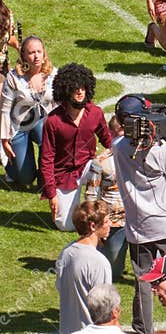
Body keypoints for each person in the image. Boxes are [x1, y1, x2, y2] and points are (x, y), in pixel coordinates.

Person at [112, 95, 166, 334]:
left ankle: (142, 330)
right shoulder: (159, 148)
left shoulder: (117, 148)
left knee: (144, 284)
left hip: (138, 228)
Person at [40, 64, 113, 232]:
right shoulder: (53, 121)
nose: (80, 92)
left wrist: (114, 156)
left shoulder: (95, 113)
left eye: (83, 87)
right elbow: (46, 159)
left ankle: (101, 202)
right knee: (66, 226)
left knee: (110, 165)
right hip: (64, 174)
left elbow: (108, 141)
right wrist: (51, 194)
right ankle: (79, 204)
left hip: (89, 167)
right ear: (65, 91)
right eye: (75, 88)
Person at [1, 36, 56, 186]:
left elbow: (60, 106)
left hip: (42, 122)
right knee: (25, 179)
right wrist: (4, 140)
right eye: (31, 52)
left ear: (44, 53)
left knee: (46, 177)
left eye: (39, 51)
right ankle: (12, 167)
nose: (36, 56)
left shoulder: (53, 74)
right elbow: (4, 110)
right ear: (23, 55)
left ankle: (44, 171)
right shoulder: (13, 77)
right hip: (18, 126)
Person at [81, 115, 126, 282]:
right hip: (114, 221)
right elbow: (91, 194)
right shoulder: (100, 162)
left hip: (137, 218)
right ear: (112, 135)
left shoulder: (138, 157)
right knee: (113, 272)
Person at [56, 201, 112, 334]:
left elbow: (60, 288)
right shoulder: (99, 262)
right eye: (107, 221)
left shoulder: (65, 253)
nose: (110, 224)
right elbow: (104, 310)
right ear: (93, 226)